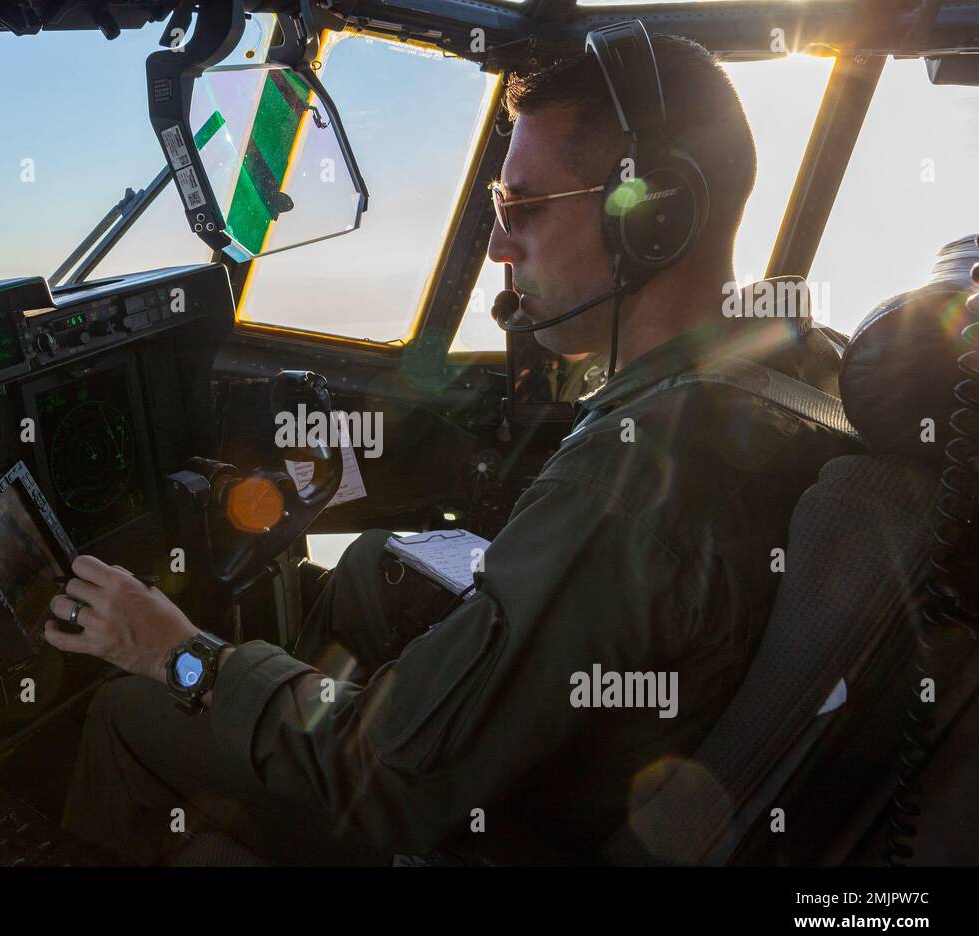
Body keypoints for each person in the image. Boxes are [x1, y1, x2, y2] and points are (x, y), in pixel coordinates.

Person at [45, 33, 858, 865]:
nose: (501, 248)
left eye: (525, 210)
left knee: (125, 712)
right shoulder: (805, 365)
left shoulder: (632, 477)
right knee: (363, 572)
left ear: (657, 216)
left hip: (504, 827)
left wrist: (177, 653)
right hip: (614, 769)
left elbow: (394, 774)